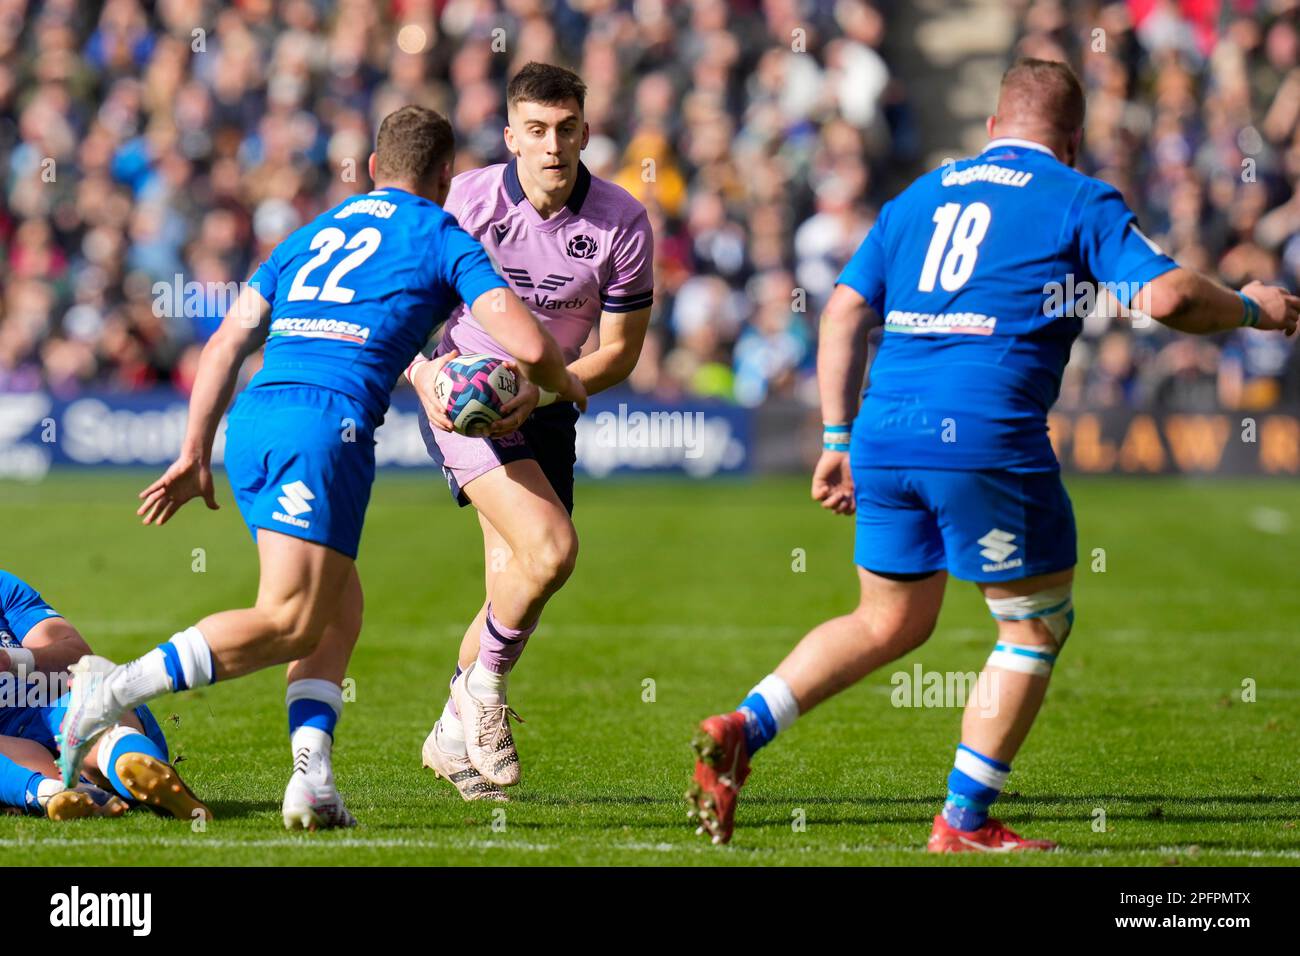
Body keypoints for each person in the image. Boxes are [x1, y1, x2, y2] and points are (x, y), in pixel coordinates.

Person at [687, 58, 1299, 849]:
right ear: (1073, 141)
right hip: (983, 430)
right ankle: (962, 819)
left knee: (889, 618)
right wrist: (1255, 307)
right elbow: (1168, 297)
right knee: (1033, 627)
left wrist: (837, 438)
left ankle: (742, 727)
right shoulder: (1078, 197)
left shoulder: (920, 196)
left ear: (991, 129)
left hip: (884, 428)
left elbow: (840, 315)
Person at [56, 105, 585, 829]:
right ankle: (110, 691)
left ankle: (312, 781)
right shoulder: (439, 233)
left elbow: (223, 347)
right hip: (322, 427)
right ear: (443, 177)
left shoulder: (310, 234)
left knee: (340, 609)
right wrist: (565, 380)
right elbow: (524, 340)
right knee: (289, 620)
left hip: (255, 419)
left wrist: (192, 451)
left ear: (372, 168)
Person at [399, 62, 654, 800]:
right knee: (552, 549)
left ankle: (453, 730)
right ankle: (481, 701)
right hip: (463, 401)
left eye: (566, 129)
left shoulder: (621, 222)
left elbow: (621, 353)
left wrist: (537, 400)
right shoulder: (464, 200)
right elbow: (399, 307)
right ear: (510, 135)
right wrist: (426, 378)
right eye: (536, 130)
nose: (552, 145)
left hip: (545, 406)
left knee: (515, 583)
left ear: (586, 131)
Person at [0, 570, 206, 821]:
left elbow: (74, 656)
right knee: (89, 730)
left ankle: (102, 772)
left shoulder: (3, 586)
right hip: (15, 746)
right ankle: (111, 762)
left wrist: (11, 659)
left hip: (57, 702)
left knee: (90, 695)